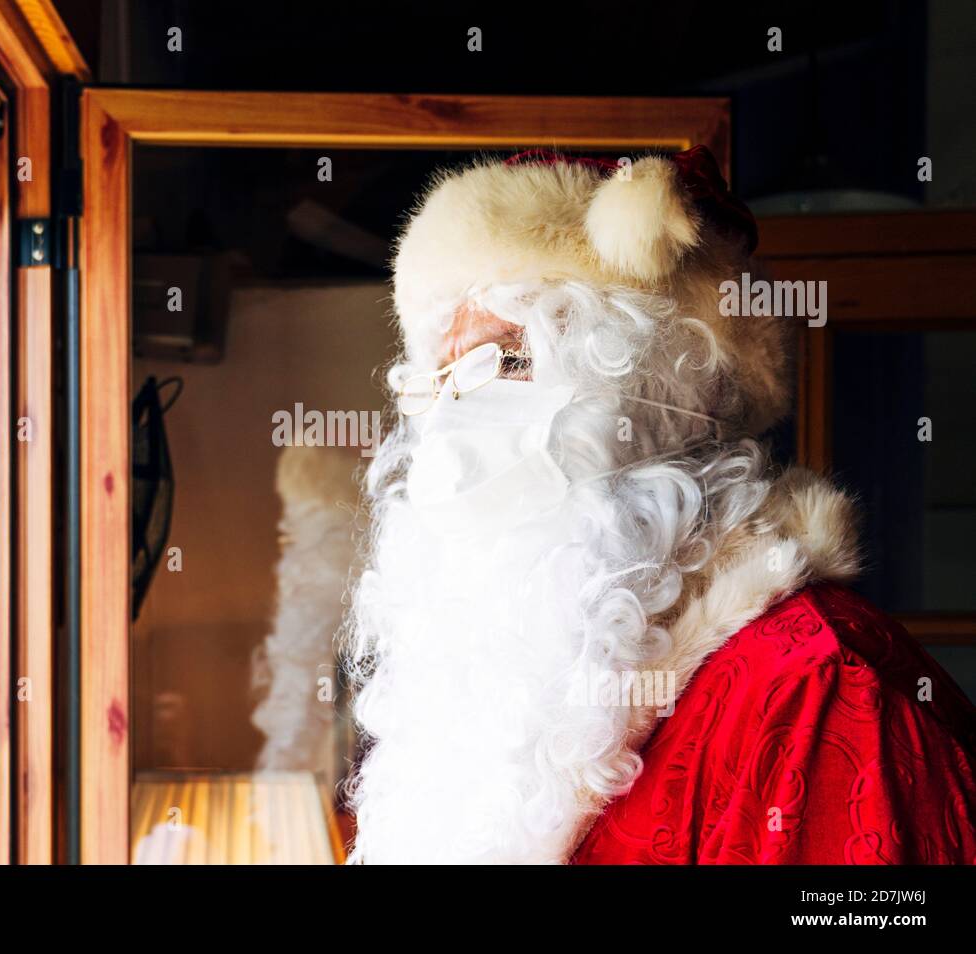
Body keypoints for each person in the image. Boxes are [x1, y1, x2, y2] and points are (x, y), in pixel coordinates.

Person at [343, 147, 976, 864]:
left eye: (511, 360)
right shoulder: (477, 715)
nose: (455, 435)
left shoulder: (821, 694)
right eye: (441, 382)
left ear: (669, 391)